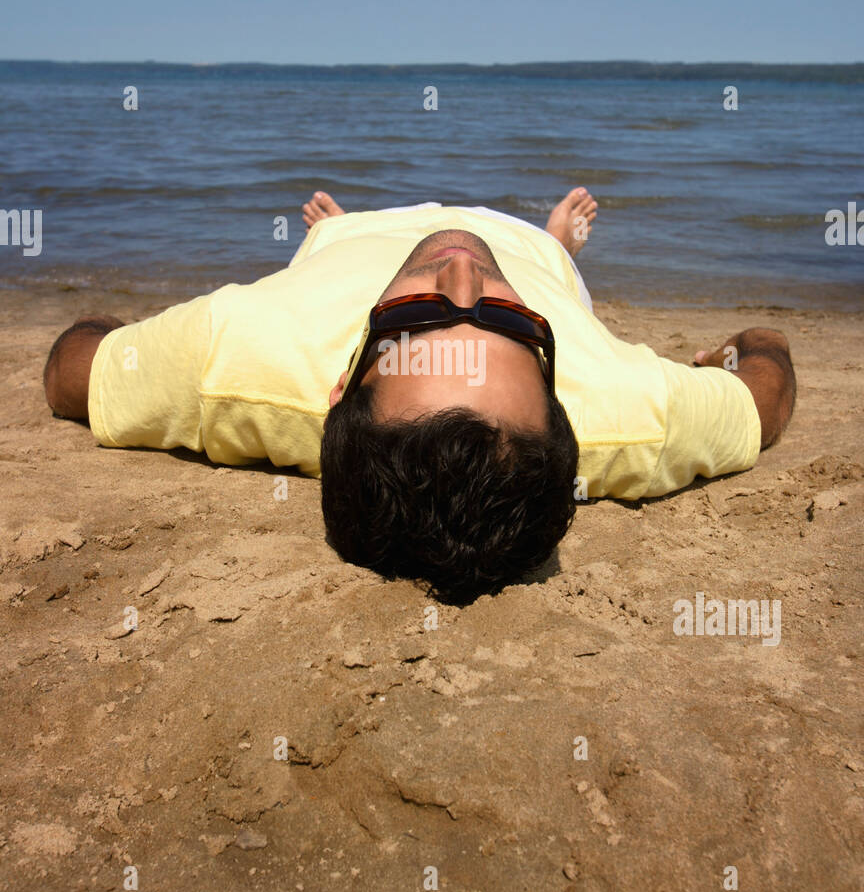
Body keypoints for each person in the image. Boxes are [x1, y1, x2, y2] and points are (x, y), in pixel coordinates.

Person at [43, 188, 795, 604]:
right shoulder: (626, 408)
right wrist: (745, 345)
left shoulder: (239, 348)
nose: (462, 276)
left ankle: (333, 239)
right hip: (517, 240)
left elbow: (74, 367)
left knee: (324, 242)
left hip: (366, 231)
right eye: (505, 320)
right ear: (556, 385)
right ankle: (554, 247)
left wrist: (119, 324)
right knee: (546, 256)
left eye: (416, 319)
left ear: (342, 386)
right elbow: (764, 393)